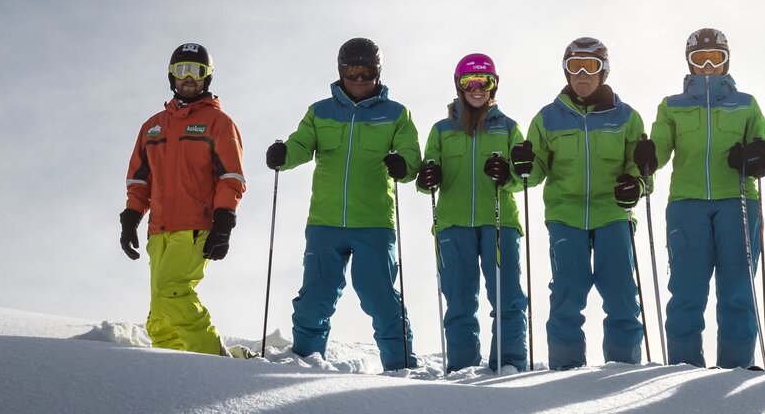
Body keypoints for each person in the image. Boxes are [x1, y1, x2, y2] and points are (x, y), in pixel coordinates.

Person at [265, 38, 424, 369]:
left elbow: (411, 157)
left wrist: (403, 166)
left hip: (374, 223)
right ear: (341, 71)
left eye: (367, 72)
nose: (360, 79)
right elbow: (300, 145)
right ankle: (305, 362)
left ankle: (401, 366)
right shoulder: (320, 112)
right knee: (315, 298)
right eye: (353, 71)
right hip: (325, 222)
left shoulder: (396, 114)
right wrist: (284, 156)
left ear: (378, 73)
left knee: (379, 296)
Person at [512, 37, 651, 368]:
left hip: (613, 215)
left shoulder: (626, 117)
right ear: (566, 71)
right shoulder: (548, 118)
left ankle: (623, 370)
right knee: (566, 296)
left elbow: (639, 168)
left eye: (591, 67)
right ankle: (565, 372)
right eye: (575, 67)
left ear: (604, 71)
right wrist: (523, 165)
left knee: (621, 295)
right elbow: (533, 173)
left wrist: (639, 183)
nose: (582, 75)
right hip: (565, 216)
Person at [649, 28, 765, 369]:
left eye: (715, 59)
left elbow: (762, 144)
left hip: (738, 201)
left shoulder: (745, 104)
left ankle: (735, 368)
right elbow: (659, 147)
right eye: (700, 60)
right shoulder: (672, 106)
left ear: (726, 62)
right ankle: (683, 369)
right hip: (688, 203)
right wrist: (647, 157)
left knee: (738, 292)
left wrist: (757, 156)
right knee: (687, 292)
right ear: (689, 64)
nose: (707, 67)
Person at [118, 43, 247, 355]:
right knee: (160, 319)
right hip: (158, 229)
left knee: (173, 292)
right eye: (181, 70)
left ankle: (214, 360)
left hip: (194, 226)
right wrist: (131, 218)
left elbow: (231, 177)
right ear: (171, 76)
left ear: (207, 78)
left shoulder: (219, 123)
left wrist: (224, 222)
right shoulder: (152, 126)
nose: (188, 78)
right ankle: (176, 370)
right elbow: (139, 179)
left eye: (196, 71)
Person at [417, 53, 533, 372]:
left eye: (485, 82)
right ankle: (462, 367)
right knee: (460, 302)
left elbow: (525, 178)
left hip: (499, 223)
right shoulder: (441, 130)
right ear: (459, 86)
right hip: (454, 224)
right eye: (470, 82)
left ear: (494, 86)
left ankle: (509, 364)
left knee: (507, 298)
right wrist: (429, 177)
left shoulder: (509, 127)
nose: (477, 88)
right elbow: (427, 178)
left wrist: (507, 174)